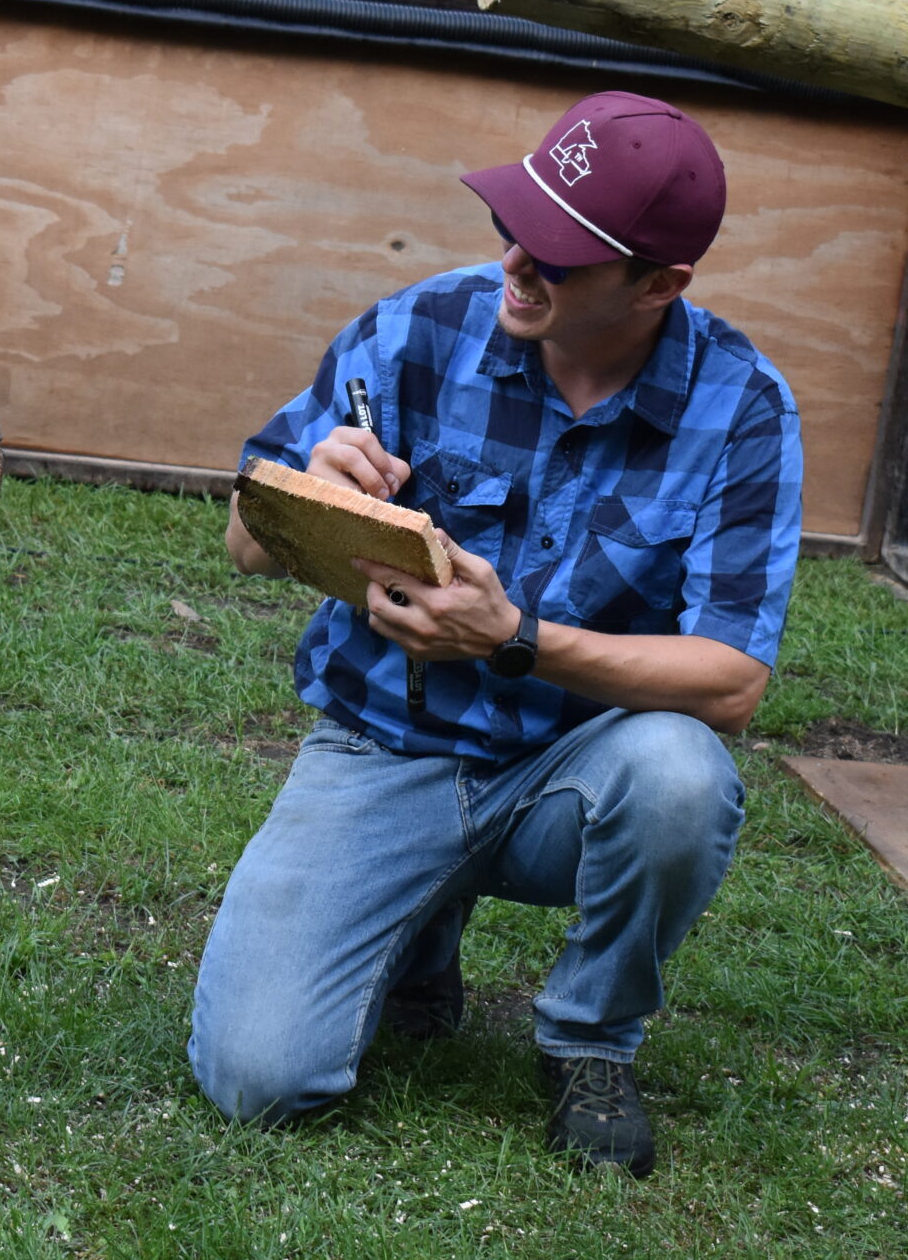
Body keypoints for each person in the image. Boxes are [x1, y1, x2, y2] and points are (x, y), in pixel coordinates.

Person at [190, 92, 801, 1177]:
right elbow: (242, 541)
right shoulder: (420, 326)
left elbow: (731, 681)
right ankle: (414, 935)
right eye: (517, 220)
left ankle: (586, 1041)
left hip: (575, 768)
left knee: (680, 773)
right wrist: (302, 489)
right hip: (385, 743)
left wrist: (513, 637)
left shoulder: (743, 406)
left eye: (561, 253)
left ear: (658, 285)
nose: (518, 258)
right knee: (255, 1080)